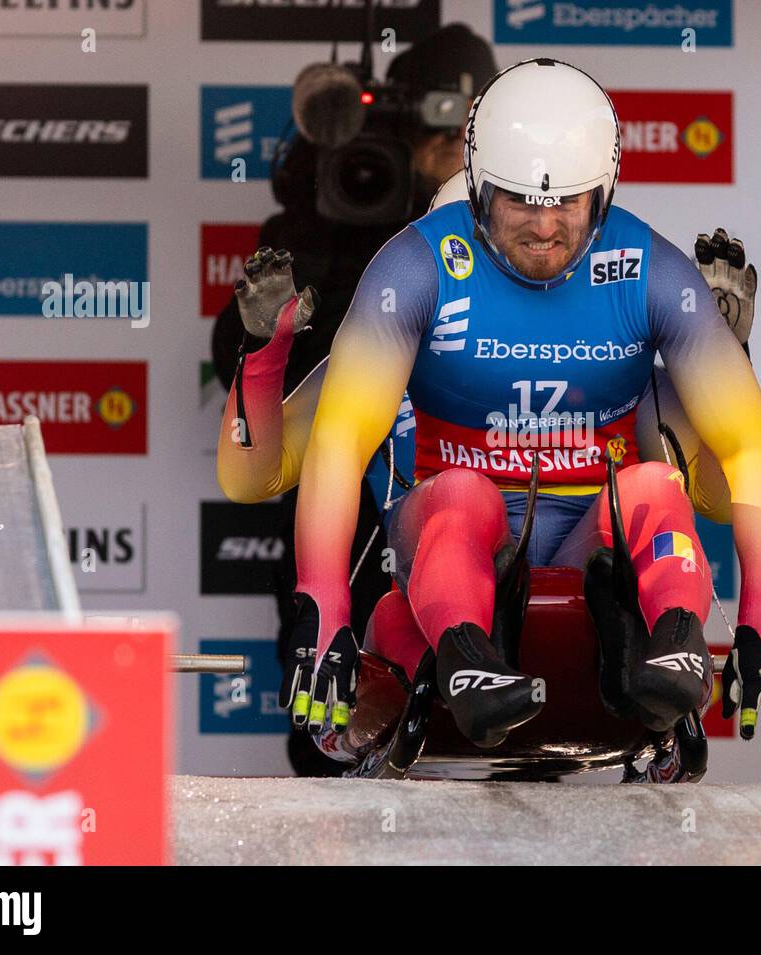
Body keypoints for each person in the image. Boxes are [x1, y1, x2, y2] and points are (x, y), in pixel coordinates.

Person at [218, 59, 761, 752]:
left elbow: (727, 469)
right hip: (447, 556)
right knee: (459, 498)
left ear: (601, 196)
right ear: (473, 202)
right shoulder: (409, 280)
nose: (544, 229)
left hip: (586, 543)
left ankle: (661, 646)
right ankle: (468, 656)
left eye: (565, 205)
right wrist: (325, 605)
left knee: (652, 483)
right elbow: (270, 468)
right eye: (517, 205)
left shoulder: (645, 270)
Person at [210, 24, 496, 774]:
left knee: (478, 711)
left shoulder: (506, 237)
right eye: (427, 146)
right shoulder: (320, 219)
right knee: (334, 719)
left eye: (458, 153)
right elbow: (235, 364)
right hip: (338, 518)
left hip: (466, 498)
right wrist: (338, 249)